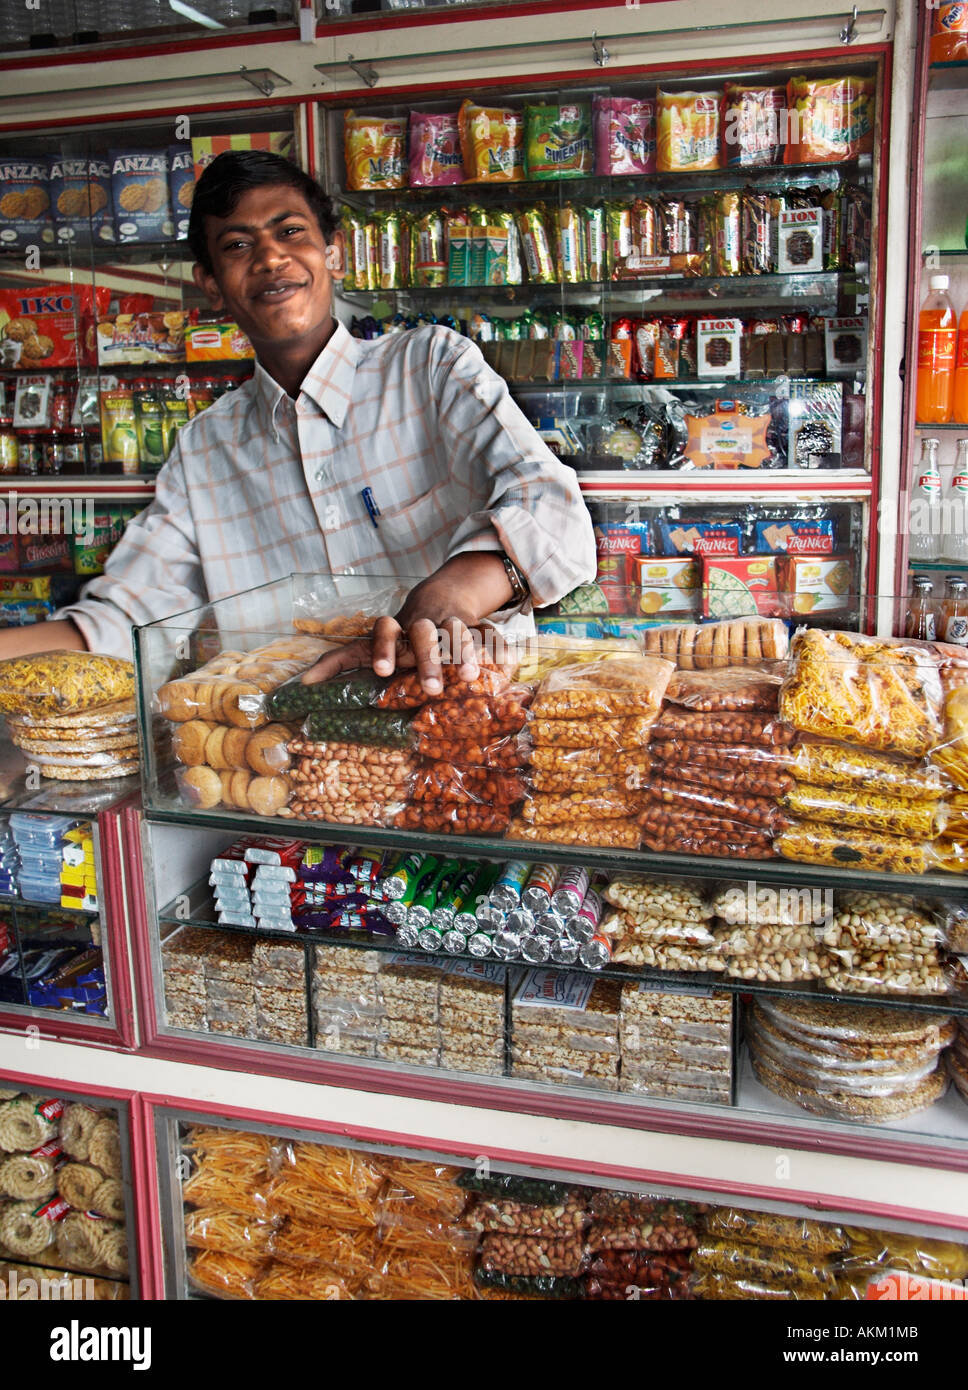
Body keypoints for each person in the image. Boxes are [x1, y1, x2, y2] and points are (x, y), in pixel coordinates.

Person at [0, 151, 596, 693]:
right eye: (236, 245)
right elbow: (127, 621)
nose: (270, 257)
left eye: (290, 232)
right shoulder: (205, 450)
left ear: (332, 251)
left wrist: (449, 594)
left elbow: (551, 509)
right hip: (290, 765)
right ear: (211, 284)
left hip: (463, 730)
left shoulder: (431, 369)